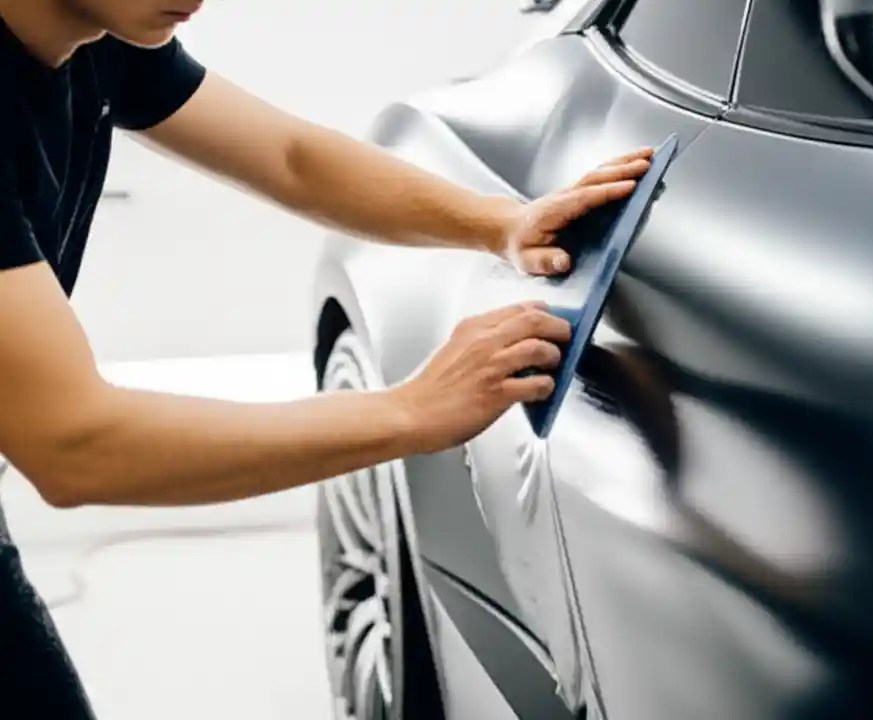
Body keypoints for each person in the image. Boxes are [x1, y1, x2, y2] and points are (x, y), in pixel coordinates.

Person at [0, 0, 654, 716]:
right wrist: (411, 409)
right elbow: (76, 445)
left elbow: (291, 159)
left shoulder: (95, 35)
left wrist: (500, 224)